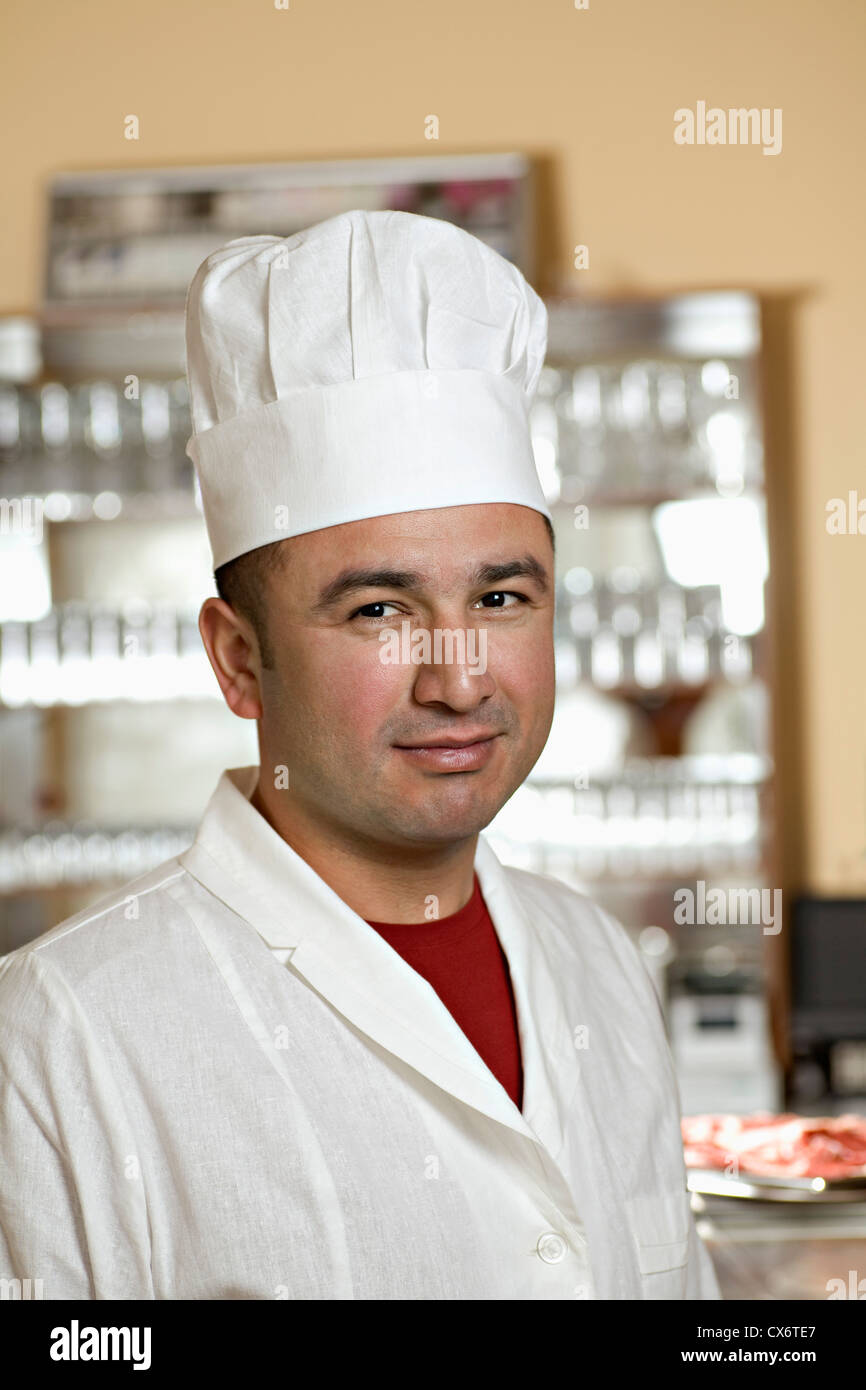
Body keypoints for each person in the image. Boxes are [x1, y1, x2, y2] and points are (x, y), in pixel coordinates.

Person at [0, 209, 720, 1300]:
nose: (459, 677)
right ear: (240, 659)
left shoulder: (599, 964)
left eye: (500, 595)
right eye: (379, 608)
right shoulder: (59, 1039)